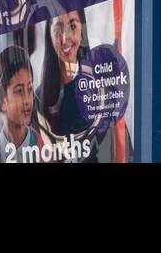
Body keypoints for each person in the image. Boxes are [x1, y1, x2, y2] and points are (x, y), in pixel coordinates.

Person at [37, 9, 114, 162]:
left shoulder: (101, 87)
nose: (66, 38)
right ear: (49, 35)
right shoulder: (39, 98)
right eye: (58, 29)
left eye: (72, 26)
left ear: (82, 31)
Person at [0, 44, 46, 163]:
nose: (27, 100)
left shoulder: (44, 150)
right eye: (19, 91)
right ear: (2, 101)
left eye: (29, 89)